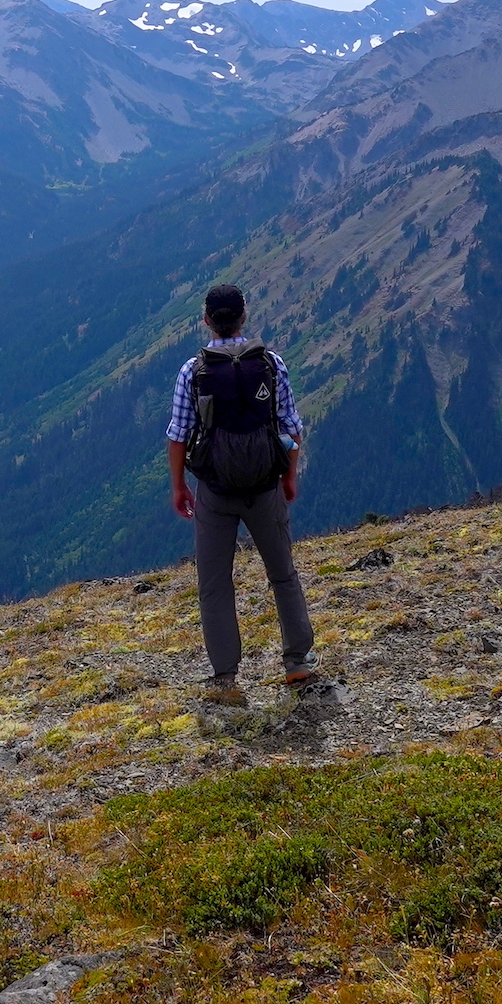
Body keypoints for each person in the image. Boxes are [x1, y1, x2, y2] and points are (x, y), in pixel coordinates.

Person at [165, 282, 315, 706]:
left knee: (214, 583)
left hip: (215, 488)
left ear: (207, 320)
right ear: (244, 317)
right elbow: (290, 427)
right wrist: (288, 475)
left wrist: (179, 486)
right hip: (265, 484)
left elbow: (178, 435)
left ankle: (226, 676)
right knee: (282, 572)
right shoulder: (271, 363)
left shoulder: (192, 371)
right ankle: (297, 661)